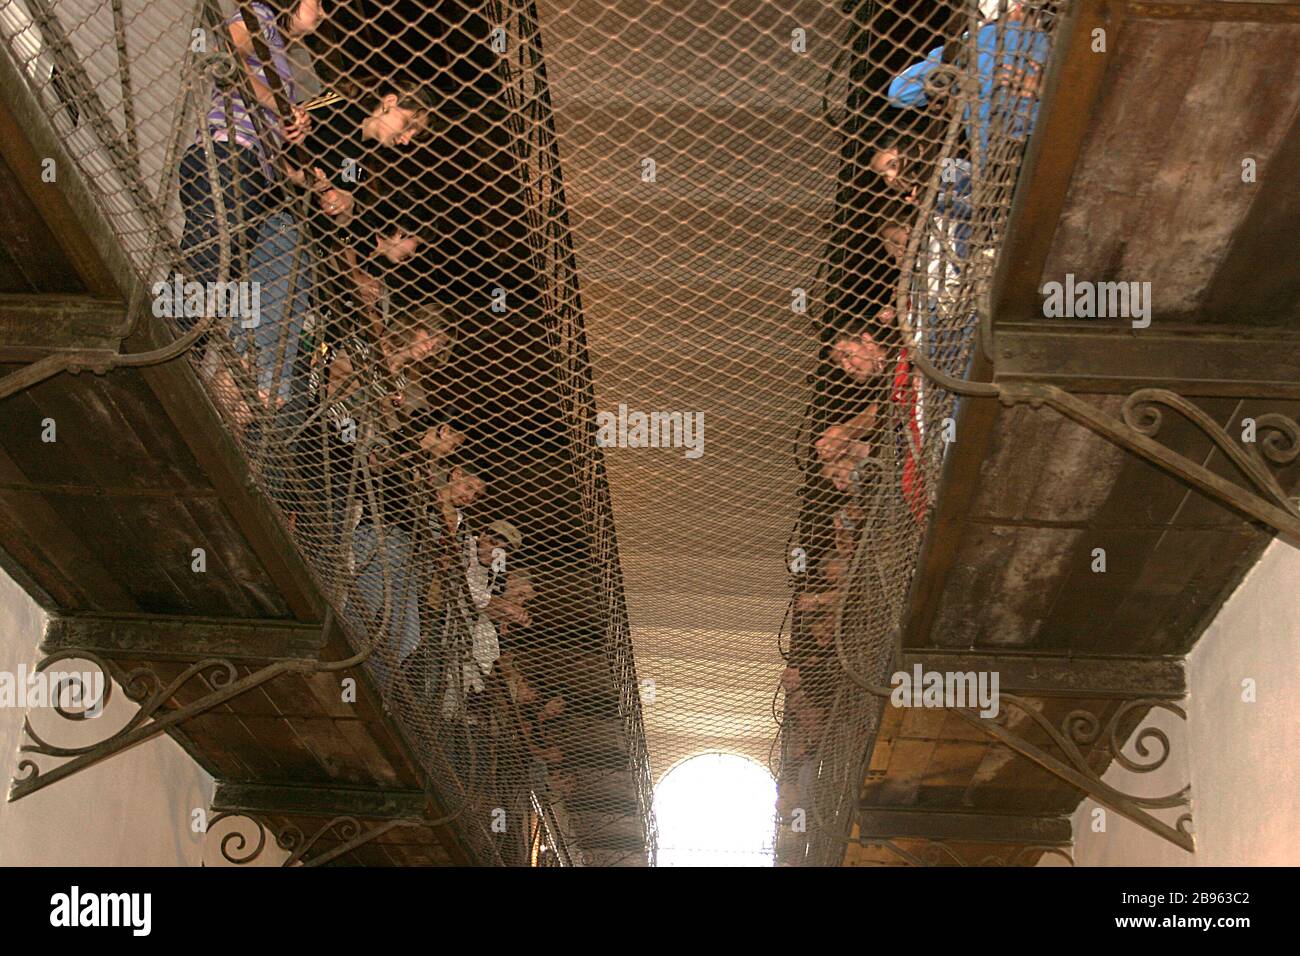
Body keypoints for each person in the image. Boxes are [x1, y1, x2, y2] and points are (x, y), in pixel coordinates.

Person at [181, 1, 323, 408]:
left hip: (251, 173)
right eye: (320, 3)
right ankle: (172, 353)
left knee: (219, 275)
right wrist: (278, 105)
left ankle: (183, 359)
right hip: (226, 154)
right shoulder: (259, 15)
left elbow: (268, 130)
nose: (323, 14)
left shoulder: (283, 59)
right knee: (210, 264)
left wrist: (291, 144)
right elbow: (224, 55)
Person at [886, 3, 1051, 162]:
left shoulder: (964, 48)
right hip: (1045, 140)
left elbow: (898, 93)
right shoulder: (1047, 43)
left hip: (996, 160)